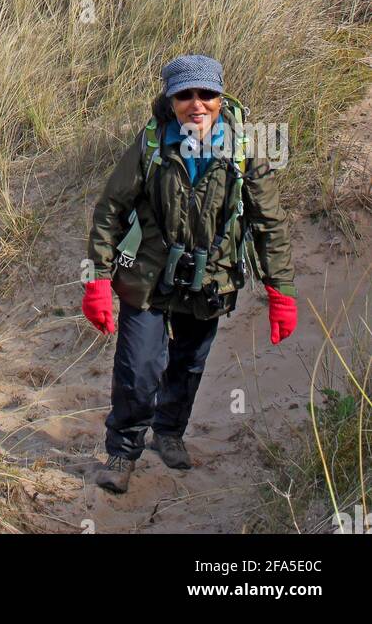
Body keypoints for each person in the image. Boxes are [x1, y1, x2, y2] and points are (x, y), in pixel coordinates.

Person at [81, 53, 298, 493]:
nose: (196, 104)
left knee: (188, 365)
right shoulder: (150, 144)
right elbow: (110, 210)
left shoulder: (243, 148)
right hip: (148, 275)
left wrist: (281, 290)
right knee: (139, 369)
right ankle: (122, 452)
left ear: (220, 97)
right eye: (185, 95)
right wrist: (98, 280)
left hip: (211, 280)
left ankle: (169, 433)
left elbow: (268, 221)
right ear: (170, 98)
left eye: (206, 94)